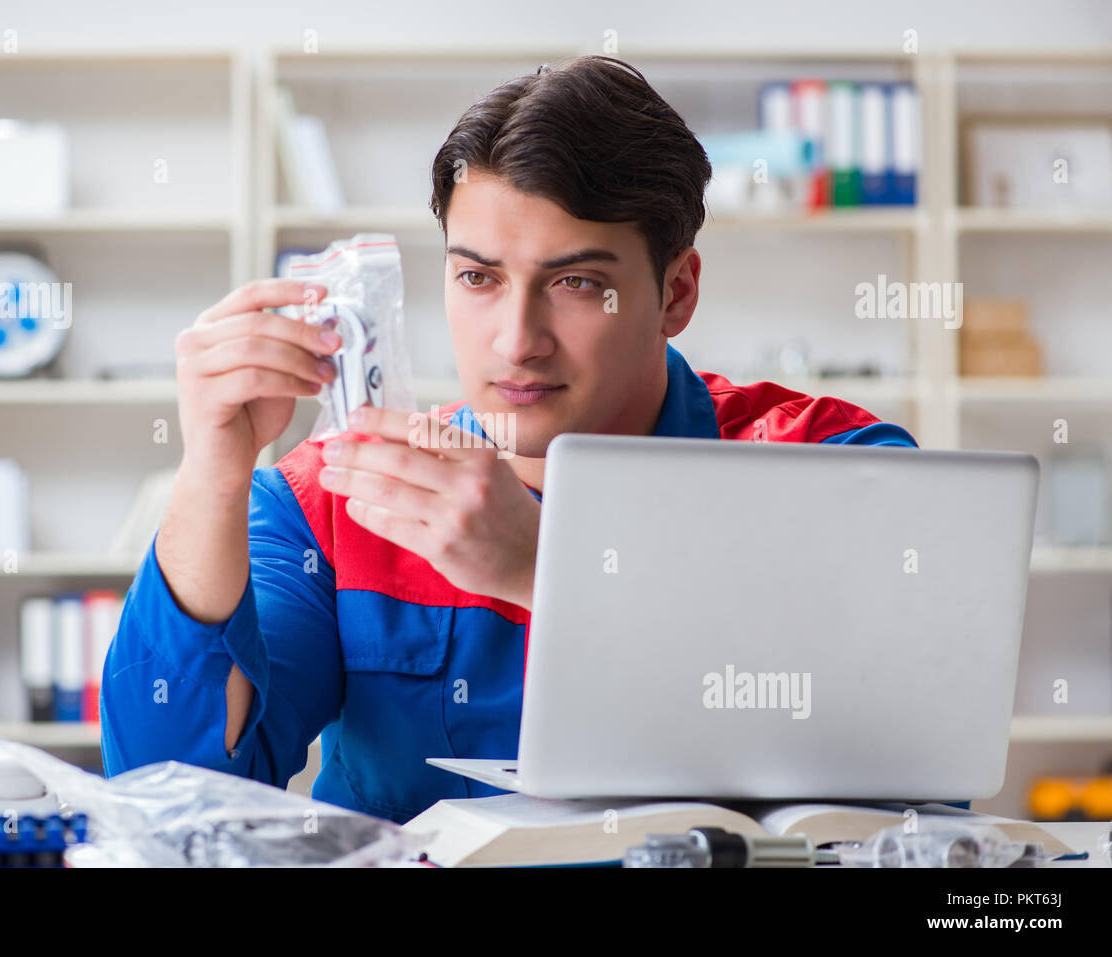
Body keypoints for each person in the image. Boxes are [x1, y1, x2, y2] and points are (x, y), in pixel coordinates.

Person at [99, 55, 918, 825]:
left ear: (676, 292)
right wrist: (213, 465)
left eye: (576, 283)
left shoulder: (833, 467)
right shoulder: (330, 502)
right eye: (478, 277)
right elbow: (173, 797)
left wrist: (546, 570)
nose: (517, 339)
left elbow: (894, 773)